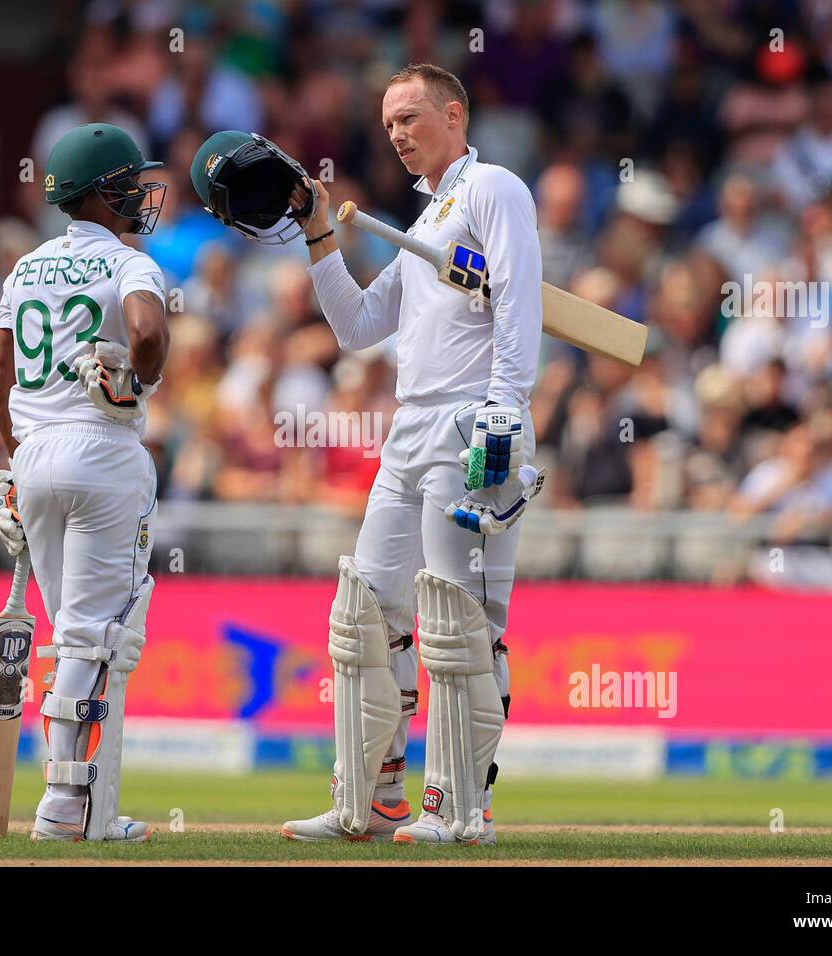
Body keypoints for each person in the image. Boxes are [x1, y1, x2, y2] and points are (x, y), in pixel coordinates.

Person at [280, 64, 544, 844]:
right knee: (364, 612)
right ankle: (370, 798)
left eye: (410, 116)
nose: (396, 132)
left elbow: (520, 296)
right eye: (388, 121)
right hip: (410, 429)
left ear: (454, 115)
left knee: (457, 623)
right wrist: (319, 236)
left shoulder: (494, 187)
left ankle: (462, 810)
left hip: (474, 422)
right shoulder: (425, 219)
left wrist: (506, 410)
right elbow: (359, 326)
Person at [0, 123, 170, 843]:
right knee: (100, 639)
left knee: (72, 639)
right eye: (129, 181)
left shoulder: (23, 267)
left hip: (34, 456)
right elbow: (148, 333)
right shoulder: (131, 262)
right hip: (104, 451)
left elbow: (0, 374)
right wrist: (141, 379)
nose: (139, 193)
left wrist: (14, 458)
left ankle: (75, 801)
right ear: (104, 191)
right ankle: (69, 807)